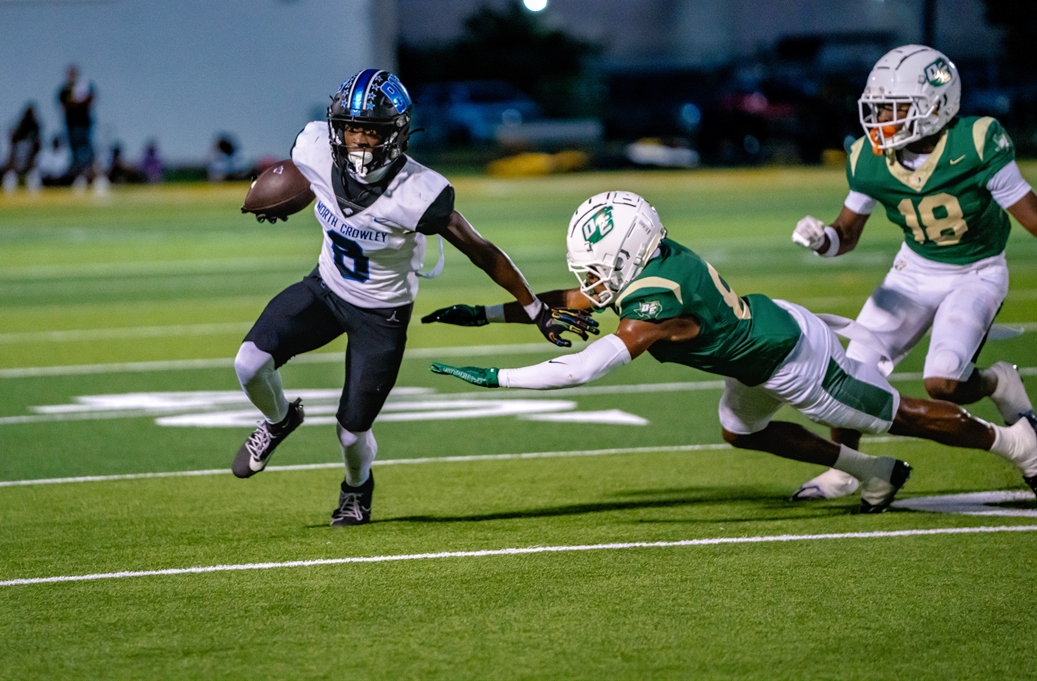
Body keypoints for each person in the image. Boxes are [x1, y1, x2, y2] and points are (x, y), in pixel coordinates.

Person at [426, 191, 1037, 512]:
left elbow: (586, 365)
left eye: (597, 267)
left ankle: (1018, 445)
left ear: (628, 254)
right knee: (741, 431)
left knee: (902, 415)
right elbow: (575, 300)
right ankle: (872, 473)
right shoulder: (651, 263)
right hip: (756, 347)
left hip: (792, 360)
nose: (589, 279)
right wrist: (485, 314)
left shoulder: (657, 299)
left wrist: (501, 377)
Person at [230, 69, 595, 526]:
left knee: (350, 432)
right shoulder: (312, 145)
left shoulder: (421, 193)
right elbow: (306, 181)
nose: (358, 141)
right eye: (351, 128)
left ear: (396, 133)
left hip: (380, 315)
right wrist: (277, 198)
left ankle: (357, 489)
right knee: (248, 363)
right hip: (323, 288)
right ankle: (281, 419)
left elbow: (482, 251)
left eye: (371, 131)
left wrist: (535, 308)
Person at [788, 45, 1037, 500]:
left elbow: (1031, 216)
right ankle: (850, 469)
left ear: (936, 106)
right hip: (912, 272)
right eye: (878, 107)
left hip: (975, 271)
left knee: (943, 383)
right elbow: (846, 234)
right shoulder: (868, 158)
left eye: (894, 108)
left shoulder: (975, 142)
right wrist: (821, 239)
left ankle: (996, 381)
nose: (881, 118)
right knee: (850, 370)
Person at [57, 65, 97, 186]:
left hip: (84, 124)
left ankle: (92, 176)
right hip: (71, 125)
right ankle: (78, 177)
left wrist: (76, 103)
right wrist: (77, 103)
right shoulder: (65, 89)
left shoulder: (85, 86)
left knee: (87, 150)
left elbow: (91, 100)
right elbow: (63, 105)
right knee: (74, 152)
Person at [3, 104, 42, 193]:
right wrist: (12, 158)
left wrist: (33, 159)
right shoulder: (19, 126)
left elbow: (37, 144)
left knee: (33, 170)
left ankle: (34, 190)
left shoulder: (35, 127)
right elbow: (12, 141)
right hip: (19, 150)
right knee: (11, 171)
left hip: (30, 151)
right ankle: (9, 191)